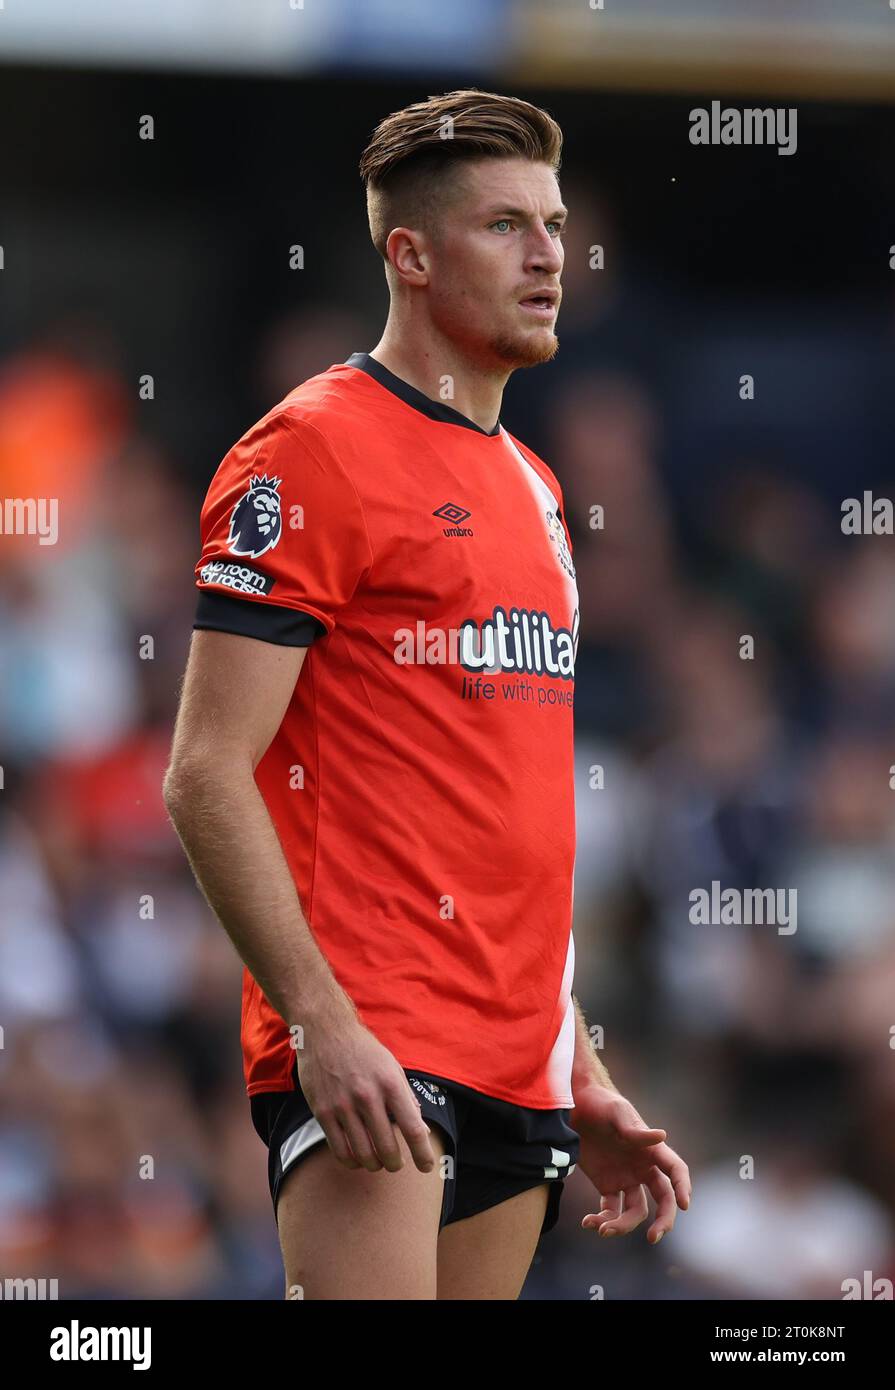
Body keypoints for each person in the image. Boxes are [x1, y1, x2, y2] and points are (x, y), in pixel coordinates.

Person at [163, 87, 690, 1301]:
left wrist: (578, 1061)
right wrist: (321, 1023)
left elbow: (510, 809)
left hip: (516, 1055)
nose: (551, 254)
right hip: (377, 1031)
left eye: (554, 224)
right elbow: (203, 770)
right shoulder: (309, 450)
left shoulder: (538, 488)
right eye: (506, 225)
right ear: (408, 253)